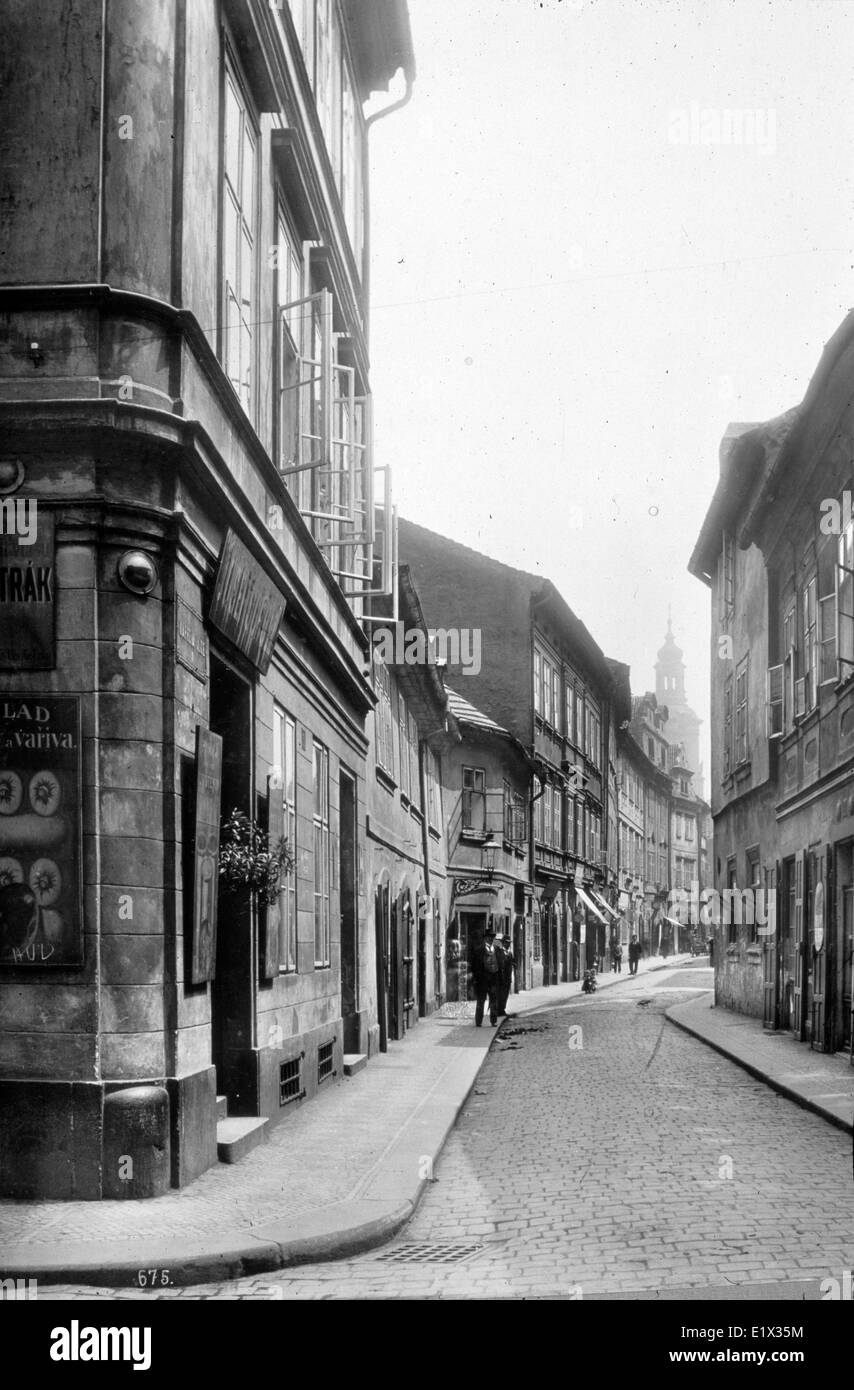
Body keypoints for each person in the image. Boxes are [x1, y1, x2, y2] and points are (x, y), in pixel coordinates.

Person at [471, 925, 502, 1026]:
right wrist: (476, 978)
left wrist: (499, 977)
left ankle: (493, 1021)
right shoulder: (478, 950)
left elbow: (500, 964)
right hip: (482, 980)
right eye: (488, 937)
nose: (490, 939)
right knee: (480, 1001)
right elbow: (474, 966)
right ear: (485, 938)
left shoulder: (497, 950)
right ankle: (478, 1021)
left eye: (492, 937)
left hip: (493, 979)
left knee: (493, 1001)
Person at [496, 933, 515, 1017]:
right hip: (501, 978)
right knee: (500, 994)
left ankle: (502, 1009)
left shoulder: (510, 953)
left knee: (505, 995)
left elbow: (513, 962)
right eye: (507, 942)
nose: (508, 944)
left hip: (508, 978)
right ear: (503, 943)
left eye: (509, 943)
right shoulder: (499, 952)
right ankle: (498, 1010)